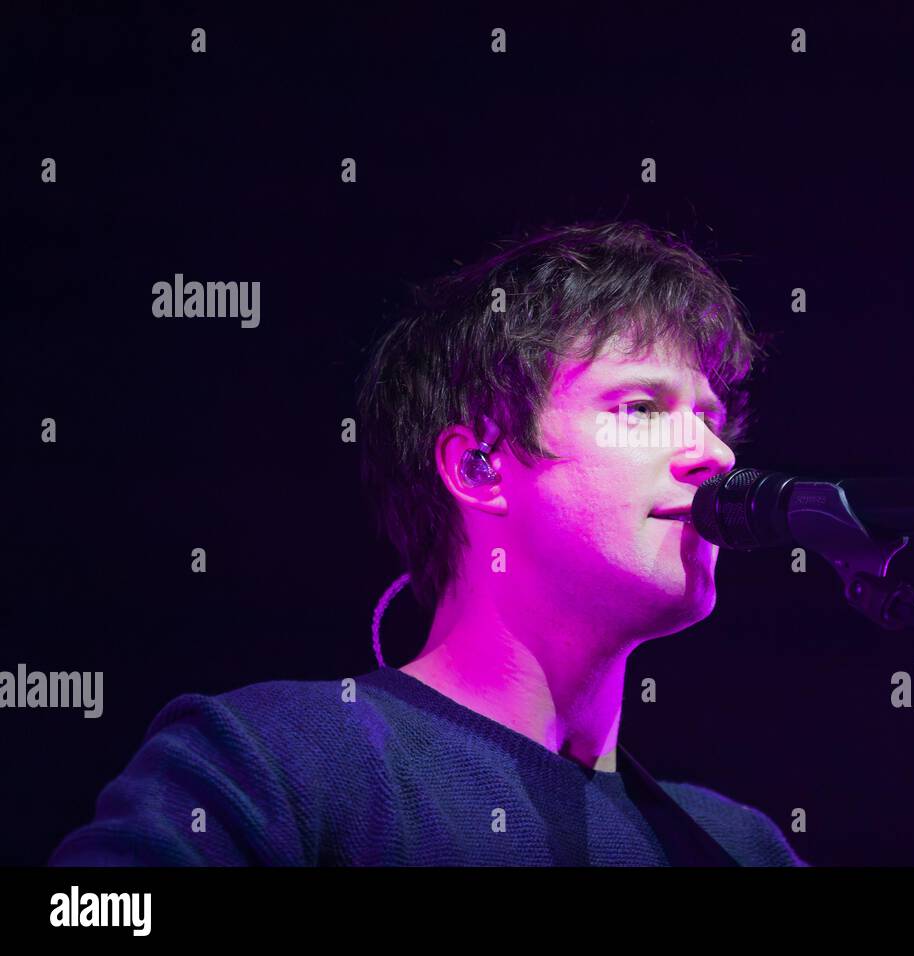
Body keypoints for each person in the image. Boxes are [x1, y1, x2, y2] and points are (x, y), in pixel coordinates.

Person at [48, 220, 807, 866]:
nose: (716, 454)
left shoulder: (741, 845)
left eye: (711, 417)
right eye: (641, 406)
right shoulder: (281, 760)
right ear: (479, 466)